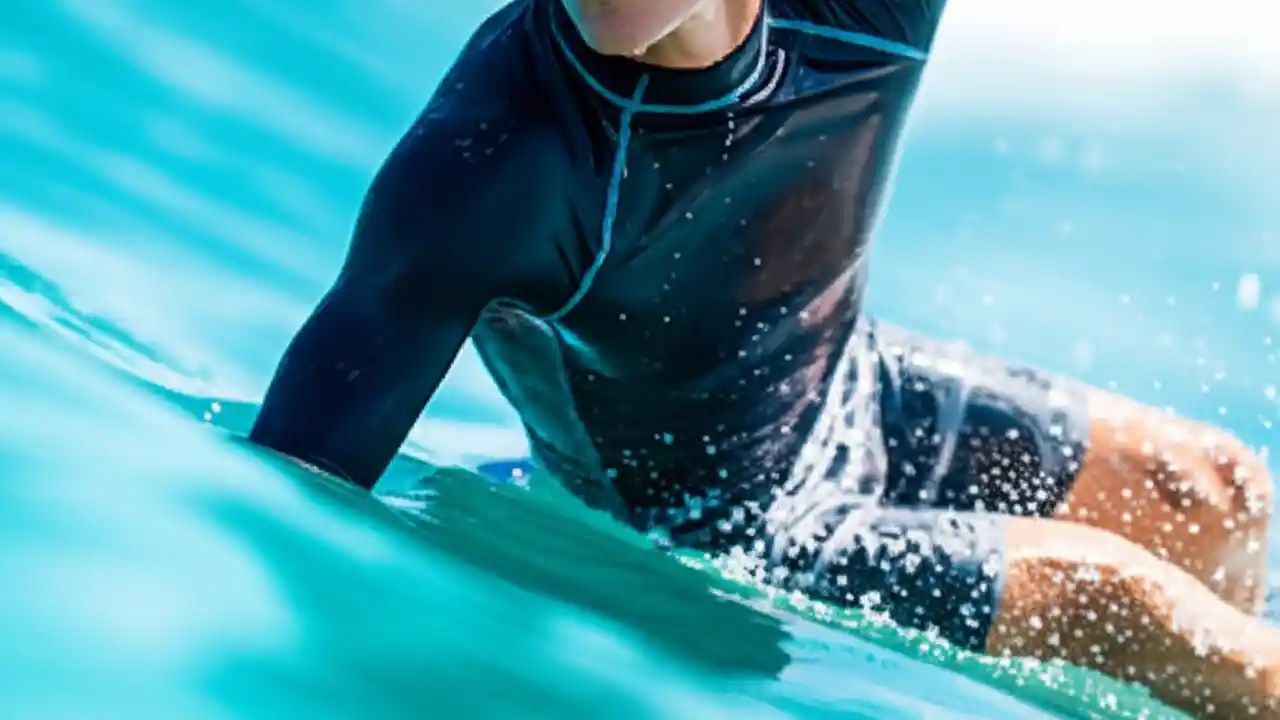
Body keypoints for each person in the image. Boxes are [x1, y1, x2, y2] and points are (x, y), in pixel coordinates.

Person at [248, 0, 1279, 716]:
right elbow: (291, 498)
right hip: (714, 524)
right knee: (1122, 604)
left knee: (1217, 491)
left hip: (845, 389)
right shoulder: (490, 167)